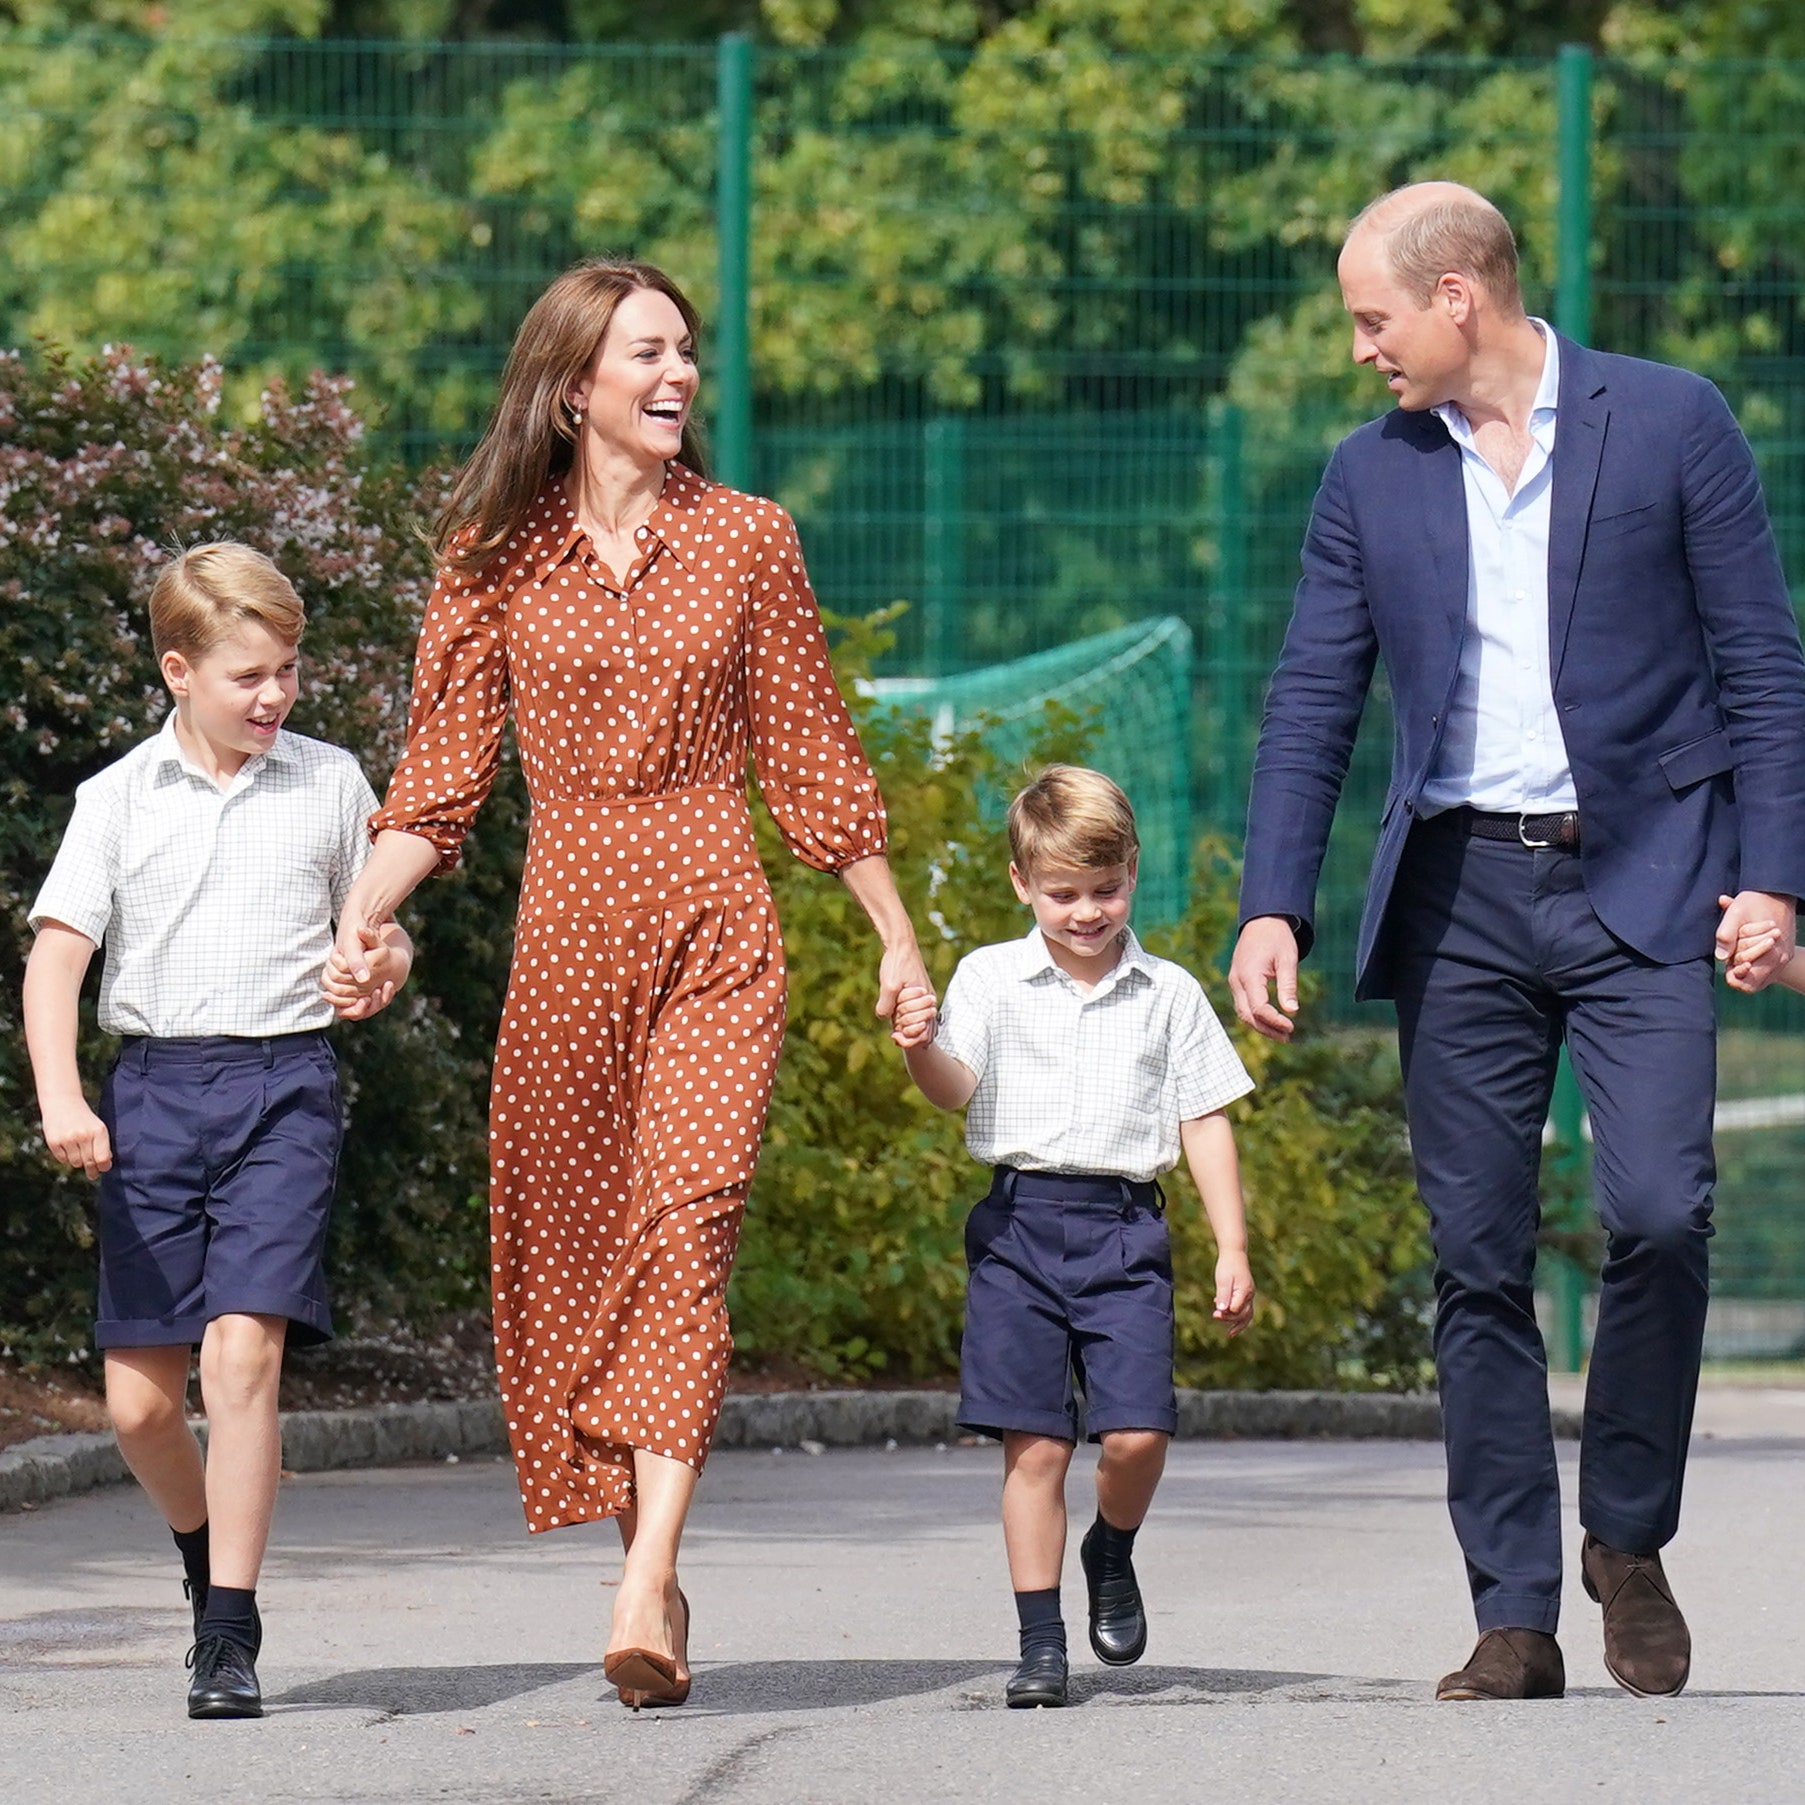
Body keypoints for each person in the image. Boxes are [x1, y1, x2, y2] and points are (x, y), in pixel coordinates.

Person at [1228, 182, 1805, 1702]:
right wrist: (1272, 899)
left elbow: (1762, 664)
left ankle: (1625, 1530)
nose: (1363, 350)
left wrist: (1775, 879)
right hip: (1460, 902)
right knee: (1474, 1258)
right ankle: (1514, 1609)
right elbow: (1310, 697)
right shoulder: (1370, 477)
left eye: (1374, 318)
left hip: (1648, 883)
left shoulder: (1672, 422)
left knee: (1664, 1211)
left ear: (1459, 298)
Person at [331, 258, 931, 1709]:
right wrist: (361, 918)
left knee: (692, 1223)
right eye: (647, 353)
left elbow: (807, 749)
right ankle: (647, 1556)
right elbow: (439, 779)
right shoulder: (492, 558)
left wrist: (895, 933)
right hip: (567, 937)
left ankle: (643, 1570)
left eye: (687, 355)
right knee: (589, 1257)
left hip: (714, 921)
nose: (678, 378)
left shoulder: (746, 540)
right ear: (571, 382)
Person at [22, 542, 410, 1720]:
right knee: (140, 1401)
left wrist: (381, 960)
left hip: (286, 1085)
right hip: (151, 1094)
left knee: (243, 1347)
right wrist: (62, 1096)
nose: (275, 695)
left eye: (287, 669)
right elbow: (54, 963)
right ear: (178, 671)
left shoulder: (332, 783)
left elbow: (378, 931)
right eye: (249, 675)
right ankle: (203, 1561)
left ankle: (229, 1634)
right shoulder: (117, 798)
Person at [894, 765, 1255, 1709]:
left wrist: (1231, 1245)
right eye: (1062, 893)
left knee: (1135, 1433)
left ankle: (1112, 1545)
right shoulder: (987, 976)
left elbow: (1205, 1118)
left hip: (1124, 1230)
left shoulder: (1167, 993)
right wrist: (915, 1046)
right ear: (1022, 884)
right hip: (1017, 1227)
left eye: (1104, 889)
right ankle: (1040, 1643)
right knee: (1037, 1446)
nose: (1086, 911)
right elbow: (953, 1088)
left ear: (1130, 871)